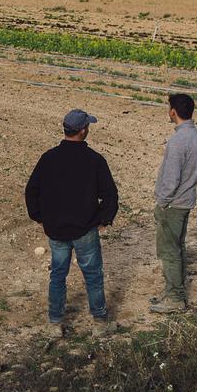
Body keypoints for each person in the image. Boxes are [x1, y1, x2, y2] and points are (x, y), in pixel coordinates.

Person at [25, 109, 119, 337]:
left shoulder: (48, 158)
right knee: (93, 276)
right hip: (86, 228)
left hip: (56, 229)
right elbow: (110, 194)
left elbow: (31, 191)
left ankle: (55, 324)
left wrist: (39, 217)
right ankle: (100, 323)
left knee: (58, 275)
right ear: (83, 130)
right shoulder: (94, 160)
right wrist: (104, 219)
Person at [149, 93, 197, 314]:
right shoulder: (196, 135)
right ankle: (174, 291)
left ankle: (175, 298)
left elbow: (171, 179)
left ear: (173, 111)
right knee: (178, 248)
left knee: (169, 251)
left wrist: (162, 202)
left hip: (173, 204)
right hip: (185, 201)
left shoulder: (178, 140)